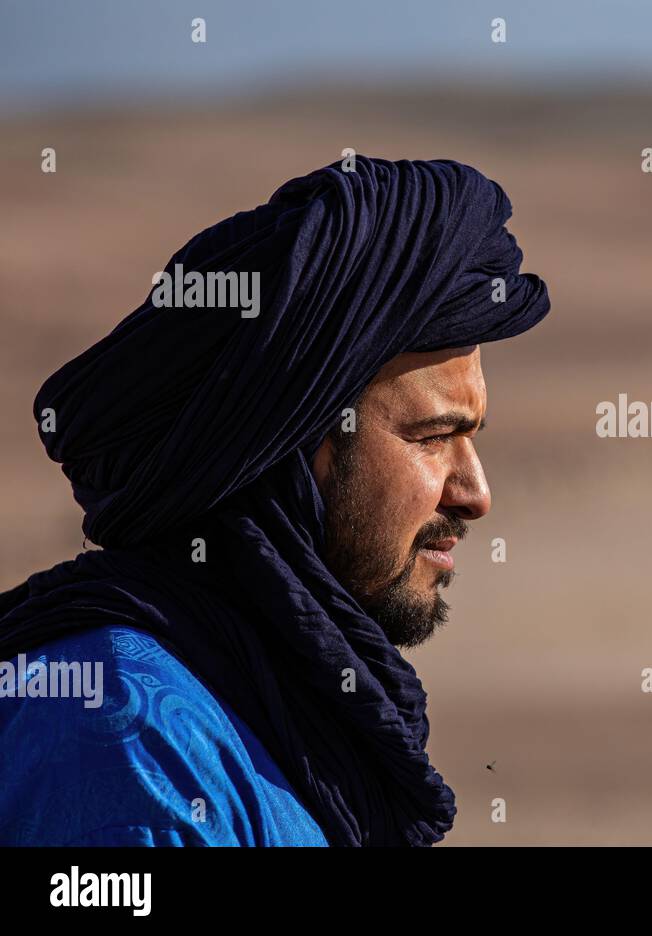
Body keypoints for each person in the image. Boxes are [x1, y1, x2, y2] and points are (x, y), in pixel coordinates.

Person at [0, 156, 551, 846]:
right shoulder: (131, 736)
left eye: (471, 437)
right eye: (433, 437)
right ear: (292, 449)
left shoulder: (279, 695)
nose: (476, 495)